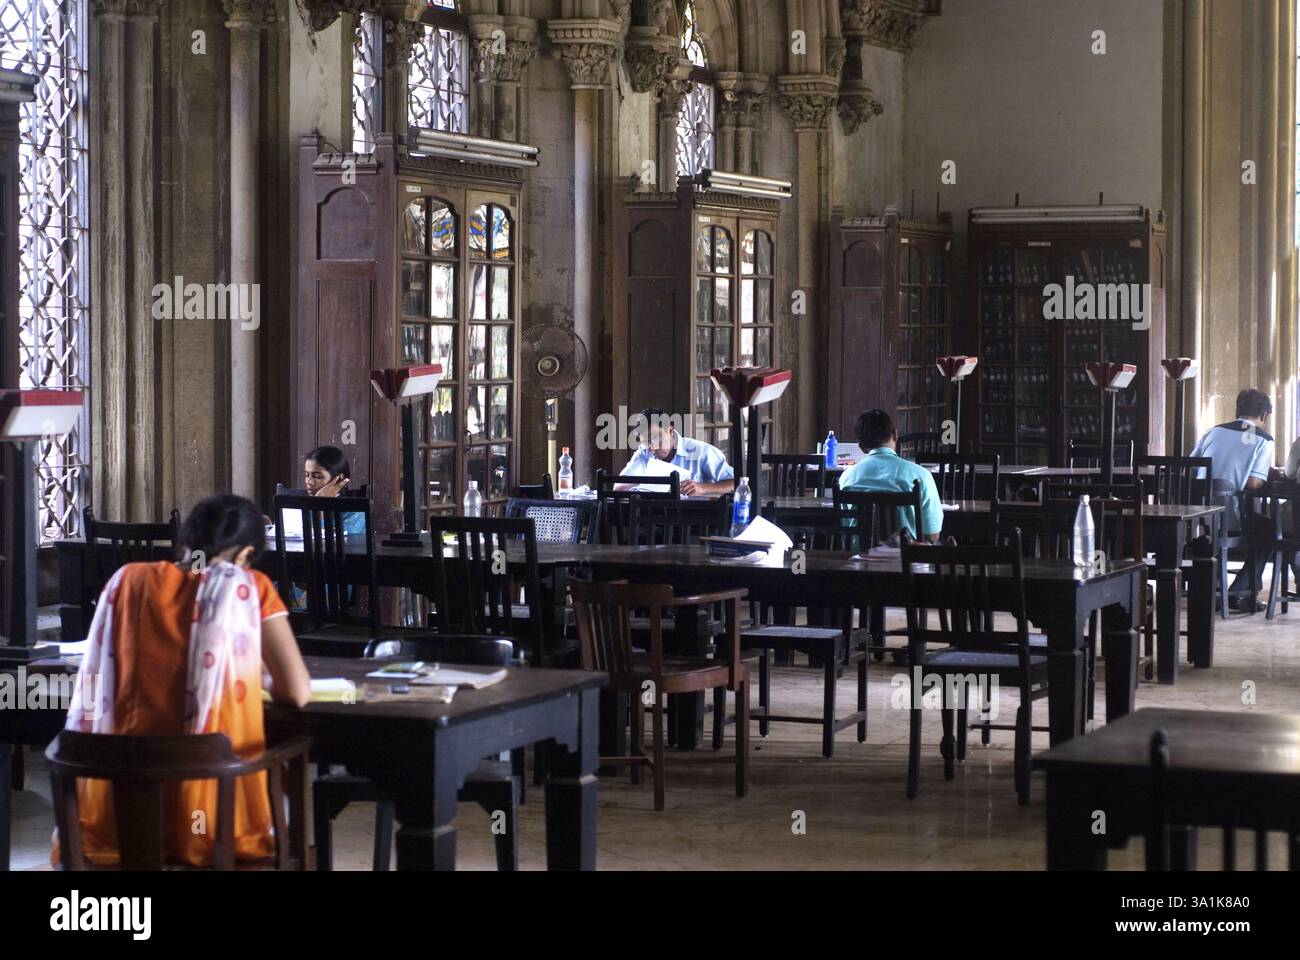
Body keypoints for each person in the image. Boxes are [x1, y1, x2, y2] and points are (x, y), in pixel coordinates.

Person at [55, 495, 311, 868]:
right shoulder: (248, 587)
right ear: (245, 555)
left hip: (125, 815)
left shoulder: (128, 580)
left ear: (186, 541)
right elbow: (298, 691)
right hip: (211, 818)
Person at [1188, 388, 1275, 611]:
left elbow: (1189, 466)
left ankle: (1214, 591)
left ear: (1238, 410)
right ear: (1264, 415)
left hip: (1197, 515)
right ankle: (1238, 593)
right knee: (1268, 530)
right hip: (1229, 518)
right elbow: (1254, 483)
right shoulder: (1263, 439)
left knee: (1221, 529)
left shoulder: (1213, 432)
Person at [837, 409, 942, 543]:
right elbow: (932, 536)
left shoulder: (847, 477)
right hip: (907, 560)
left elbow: (845, 530)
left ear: (861, 447)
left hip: (860, 561)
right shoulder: (921, 476)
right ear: (895, 434)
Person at [618, 407, 735, 496]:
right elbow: (619, 488)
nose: (652, 448)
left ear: (670, 430)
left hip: (699, 521)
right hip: (657, 521)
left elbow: (735, 483)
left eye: (656, 438)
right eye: (647, 442)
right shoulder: (644, 453)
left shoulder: (702, 452)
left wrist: (702, 488)